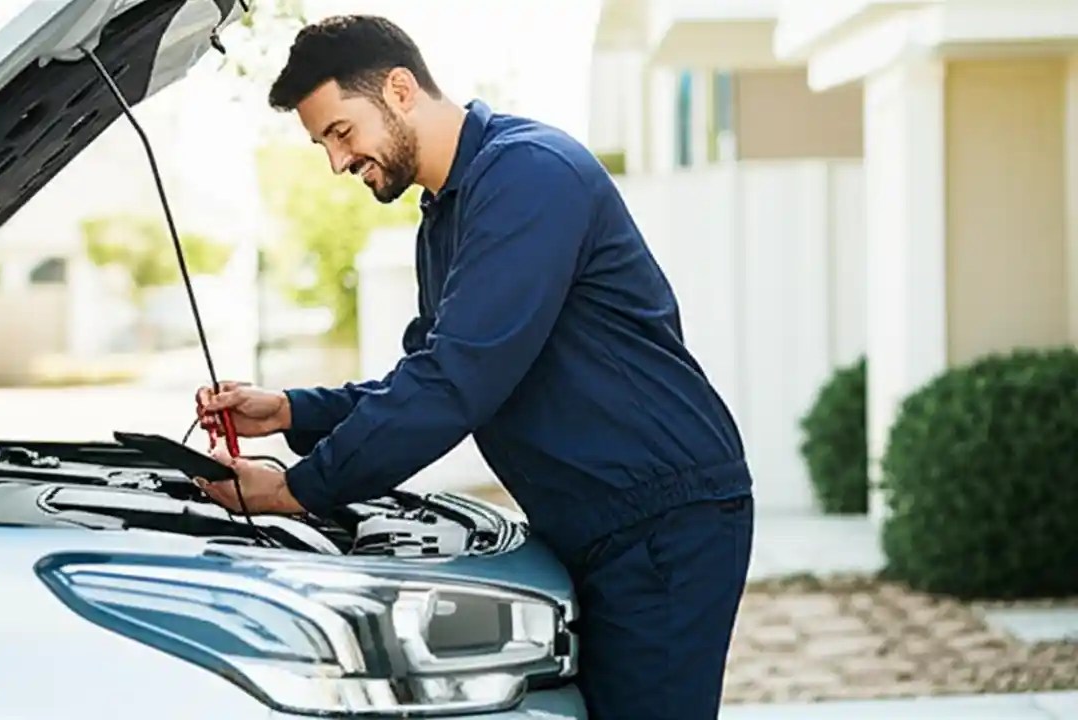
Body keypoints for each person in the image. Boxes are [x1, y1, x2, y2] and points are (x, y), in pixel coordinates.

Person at [193, 14, 754, 720]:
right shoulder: (449, 213)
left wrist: (298, 490)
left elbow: (458, 382)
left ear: (399, 89)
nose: (337, 162)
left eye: (340, 132)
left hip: (663, 520)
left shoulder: (529, 176)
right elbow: (426, 373)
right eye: (322, 145)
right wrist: (292, 411)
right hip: (594, 523)